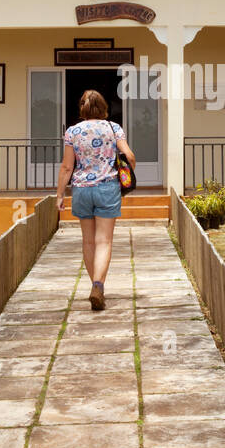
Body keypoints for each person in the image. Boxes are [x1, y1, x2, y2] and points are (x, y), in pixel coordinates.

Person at [55, 89, 136, 311]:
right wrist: (127, 173)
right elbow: (129, 156)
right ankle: (98, 285)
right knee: (104, 242)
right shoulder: (113, 128)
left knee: (88, 242)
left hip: (81, 190)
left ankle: (94, 285)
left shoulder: (73, 131)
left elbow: (67, 166)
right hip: (107, 188)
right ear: (103, 107)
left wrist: (60, 194)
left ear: (82, 107)